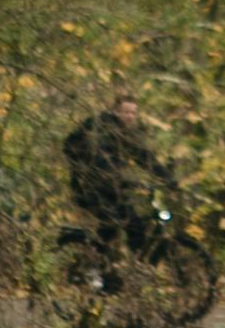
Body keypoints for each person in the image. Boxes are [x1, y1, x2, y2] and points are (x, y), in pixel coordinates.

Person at [60, 90, 181, 272]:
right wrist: (125, 182)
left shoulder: (123, 134)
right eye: (126, 112)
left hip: (111, 189)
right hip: (90, 189)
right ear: (116, 111)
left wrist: (168, 180)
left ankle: (128, 272)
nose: (131, 117)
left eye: (134, 113)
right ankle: (94, 273)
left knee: (136, 226)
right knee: (113, 224)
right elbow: (101, 164)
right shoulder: (101, 129)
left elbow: (143, 157)